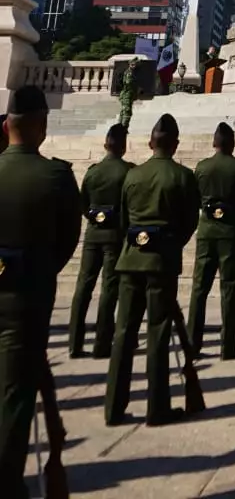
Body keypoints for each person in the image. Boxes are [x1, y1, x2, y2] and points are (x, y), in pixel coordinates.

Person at [0, 86, 81, 497]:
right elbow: (67, 241)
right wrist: (39, 274)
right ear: (42, 126)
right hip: (26, 301)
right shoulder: (56, 177)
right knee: (14, 400)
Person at [104, 112, 200, 426]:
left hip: (130, 260)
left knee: (124, 334)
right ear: (175, 144)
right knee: (157, 333)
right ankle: (156, 407)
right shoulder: (183, 177)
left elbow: (122, 221)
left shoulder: (132, 175)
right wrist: (170, 246)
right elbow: (189, 223)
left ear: (149, 142)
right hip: (161, 261)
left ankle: (113, 407)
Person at [69, 122, 134, 358]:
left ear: (106, 144)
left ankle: (74, 343)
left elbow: (83, 203)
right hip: (115, 236)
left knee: (83, 286)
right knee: (109, 288)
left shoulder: (93, 171)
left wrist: (94, 216)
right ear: (123, 147)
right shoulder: (128, 171)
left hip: (93, 234)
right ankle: (102, 343)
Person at [187, 122, 235, 360]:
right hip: (230, 232)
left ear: (214, 143)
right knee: (229, 287)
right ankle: (229, 346)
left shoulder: (202, 167)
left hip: (206, 231)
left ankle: (193, 343)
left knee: (199, 289)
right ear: (231, 144)